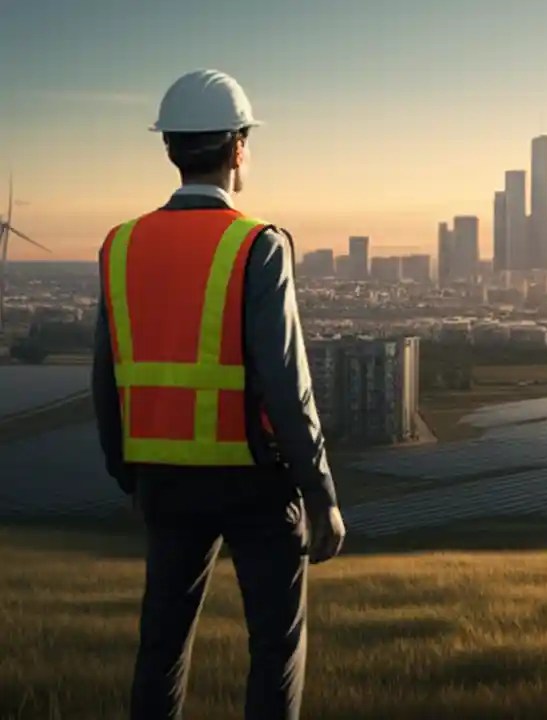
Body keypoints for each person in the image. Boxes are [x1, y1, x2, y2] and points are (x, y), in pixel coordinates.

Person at [92, 68, 346, 720]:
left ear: (170, 147)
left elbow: (105, 375)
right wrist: (320, 496)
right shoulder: (256, 244)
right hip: (254, 481)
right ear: (237, 148)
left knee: (161, 648)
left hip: (164, 481)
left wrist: (129, 477)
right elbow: (288, 385)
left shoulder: (120, 245)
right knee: (275, 649)